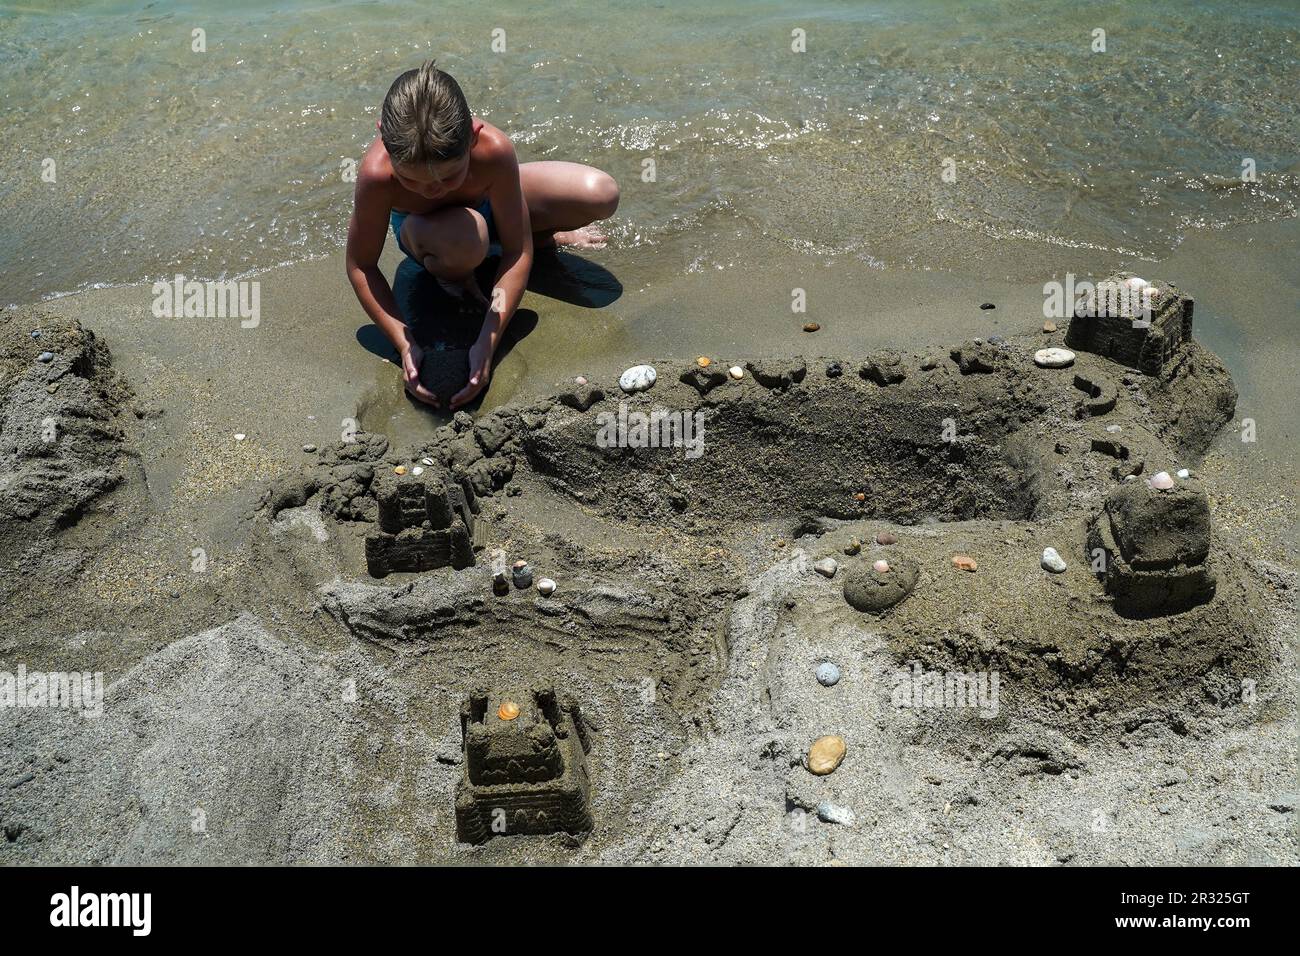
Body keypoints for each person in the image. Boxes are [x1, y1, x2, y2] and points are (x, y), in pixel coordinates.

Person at [345, 61, 619, 409]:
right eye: (411, 181)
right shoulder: (376, 173)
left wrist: (487, 341)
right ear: (384, 137)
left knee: (600, 193)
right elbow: (362, 266)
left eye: (447, 177)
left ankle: (542, 236)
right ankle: (458, 272)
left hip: (488, 209)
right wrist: (404, 343)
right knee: (466, 234)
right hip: (436, 235)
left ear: (473, 135)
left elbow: (517, 253)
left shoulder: (493, 149)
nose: (431, 191)